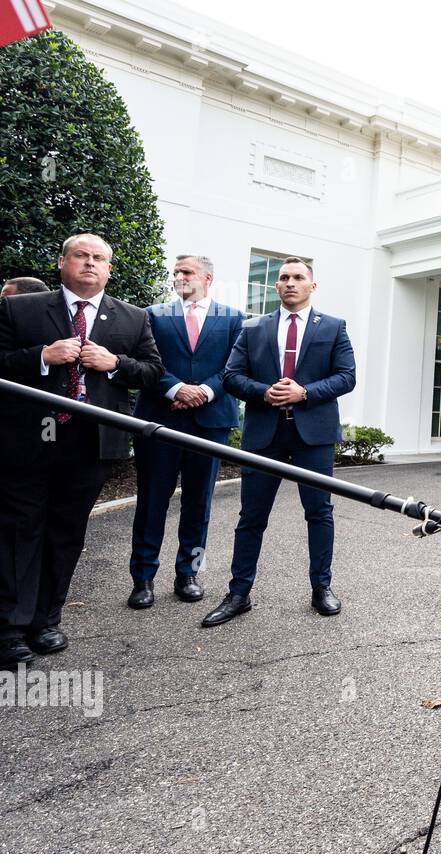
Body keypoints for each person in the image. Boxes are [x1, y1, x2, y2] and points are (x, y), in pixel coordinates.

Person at [0, 234, 163, 668]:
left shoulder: (133, 318)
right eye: (81, 256)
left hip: (92, 442)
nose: (90, 264)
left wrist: (115, 364)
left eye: (99, 259)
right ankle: (10, 628)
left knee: (67, 531)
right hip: (30, 439)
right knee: (21, 530)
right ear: (62, 262)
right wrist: (41, 356)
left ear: (109, 269)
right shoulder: (21, 308)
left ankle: (46, 621)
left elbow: (152, 372)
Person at [201, 258, 355, 628]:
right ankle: (239, 593)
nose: (290, 283)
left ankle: (322, 588)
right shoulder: (253, 328)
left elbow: (347, 376)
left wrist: (305, 392)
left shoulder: (333, 327)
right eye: (283, 278)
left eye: (298, 277)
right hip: (263, 434)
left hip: (313, 437)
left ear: (312, 286)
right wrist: (265, 393)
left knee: (319, 513)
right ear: (276, 286)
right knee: (251, 517)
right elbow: (232, 376)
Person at [128, 255, 246, 609]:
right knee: (152, 500)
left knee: (199, 503)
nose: (179, 277)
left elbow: (233, 366)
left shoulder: (235, 319)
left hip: (210, 423)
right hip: (159, 419)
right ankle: (143, 578)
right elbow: (146, 360)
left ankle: (189, 574)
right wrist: (176, 388)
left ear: (208, 277)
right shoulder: (153, 315)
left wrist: (204, 392)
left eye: (187, 272)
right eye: (176, 272)